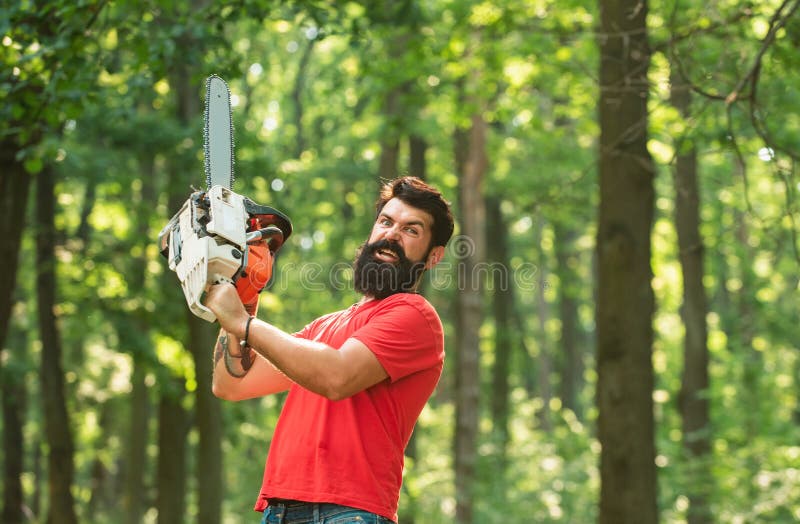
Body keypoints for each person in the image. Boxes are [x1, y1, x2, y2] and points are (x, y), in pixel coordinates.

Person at [205, 176, 455, 524]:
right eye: (386, 221)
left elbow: (337, 376)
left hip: (348, 513)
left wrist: (244, 324)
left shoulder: (415, 317)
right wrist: (243, 294)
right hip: (280, 510)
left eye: (411, 230)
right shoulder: (323, 328)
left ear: (433, 256)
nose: (392, 235)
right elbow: (231, 384)